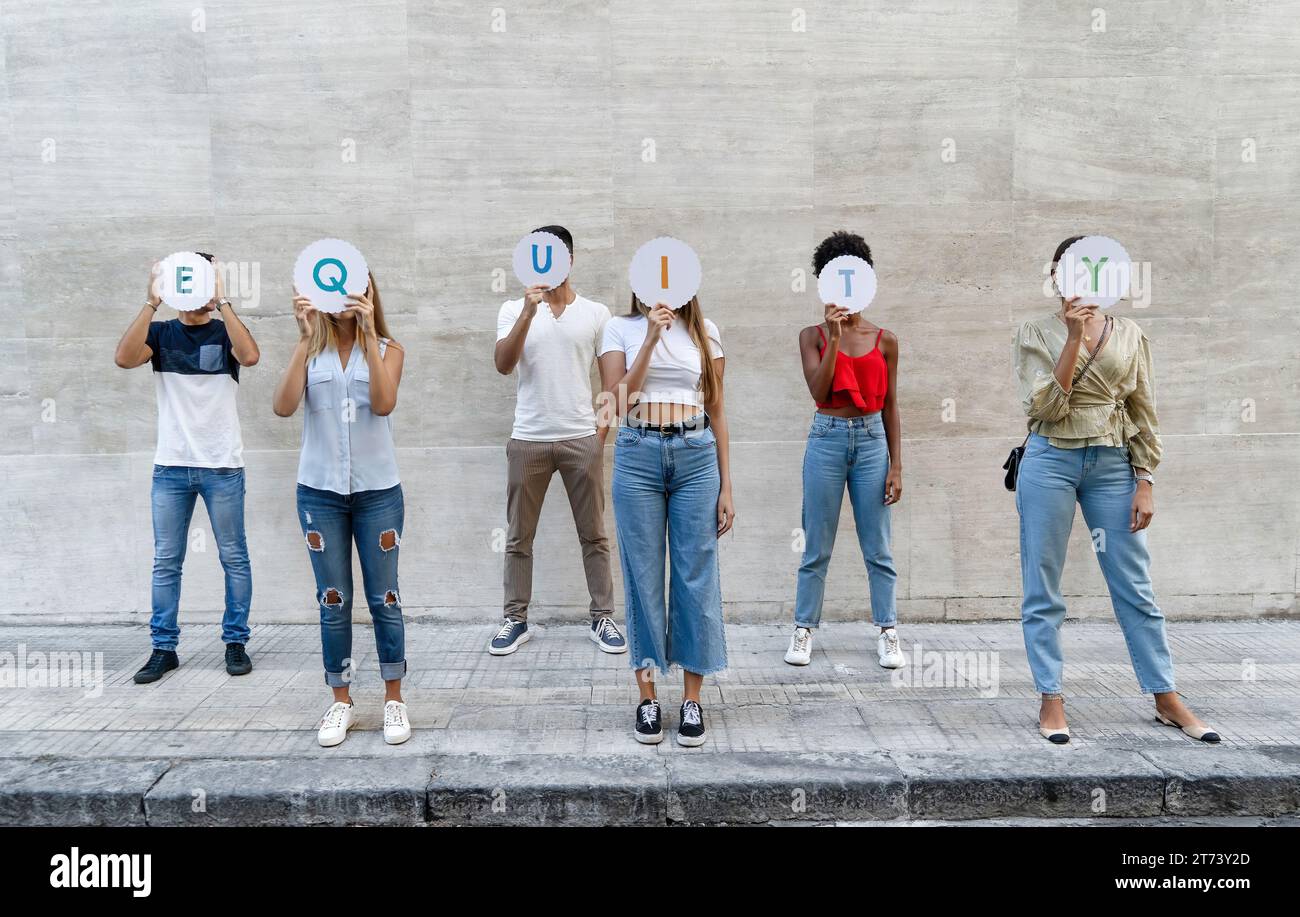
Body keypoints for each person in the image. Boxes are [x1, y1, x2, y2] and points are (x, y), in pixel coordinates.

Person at [1013, 236, 1218, 744]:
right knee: (1043, 585)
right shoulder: (1034, 331)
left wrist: (1145, 480)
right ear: (1058, 276)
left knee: (1134, 584)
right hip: (1050, 459)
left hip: (1112, 462)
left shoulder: (1130, 333)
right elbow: (1043, 409)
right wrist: (1072, 338)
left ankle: (1165, 695)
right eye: (1070, 270)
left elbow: (1143, 409)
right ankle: (1051, 698)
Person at [272, 272, 411, 748]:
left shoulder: (391, 347)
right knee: (333, 600)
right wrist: (303, 339)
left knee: (384, 598)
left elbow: (384, 402)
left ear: (369, 293)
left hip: (377, 492)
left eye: (352, 290)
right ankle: (341, 701)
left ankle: (394, 697)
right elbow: (283, 406)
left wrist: (370, 334)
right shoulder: (312, 352)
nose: (341, 300)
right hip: (319, 492)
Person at [114, 255, 259, 684]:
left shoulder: (224, 329)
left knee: (233, 557)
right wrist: (151, 303)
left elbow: (249, 357)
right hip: (172, 467)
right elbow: (124, 358)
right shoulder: (159, 334)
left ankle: (235, 642)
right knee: (166, 561)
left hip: (222, 467)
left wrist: (223, 301)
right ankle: (163, 649)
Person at [598, 289, 733, 747]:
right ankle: (648, 697)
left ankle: (692, 698)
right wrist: (652, 338)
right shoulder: (620, 328)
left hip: (696, 454)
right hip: (637, 453)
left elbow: (717, 409)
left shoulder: (706, 331)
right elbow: (616, 402)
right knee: (643, 576)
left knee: (696, 574)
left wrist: (727, 485)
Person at [491, 226, 625, 656]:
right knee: (518, 536)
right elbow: (502, 364)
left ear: (567, 258)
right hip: (528, 438)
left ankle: (602, 617)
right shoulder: (513, 309)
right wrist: (530, 312)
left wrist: (599, 436)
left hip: (580, 438)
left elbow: (612, 384)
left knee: (594, 534)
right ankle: (515, 618)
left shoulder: (596, 313)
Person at [785, 232, 905, 670]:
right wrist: (834, 338)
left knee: (879, 544)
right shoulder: (812, 336)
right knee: (817, 541)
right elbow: (818, 390)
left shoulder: (886, 338)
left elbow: (891, 404)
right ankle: (804, 628)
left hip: (873, 441)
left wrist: (897, 465)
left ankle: (888, 629)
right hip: (827, 437)